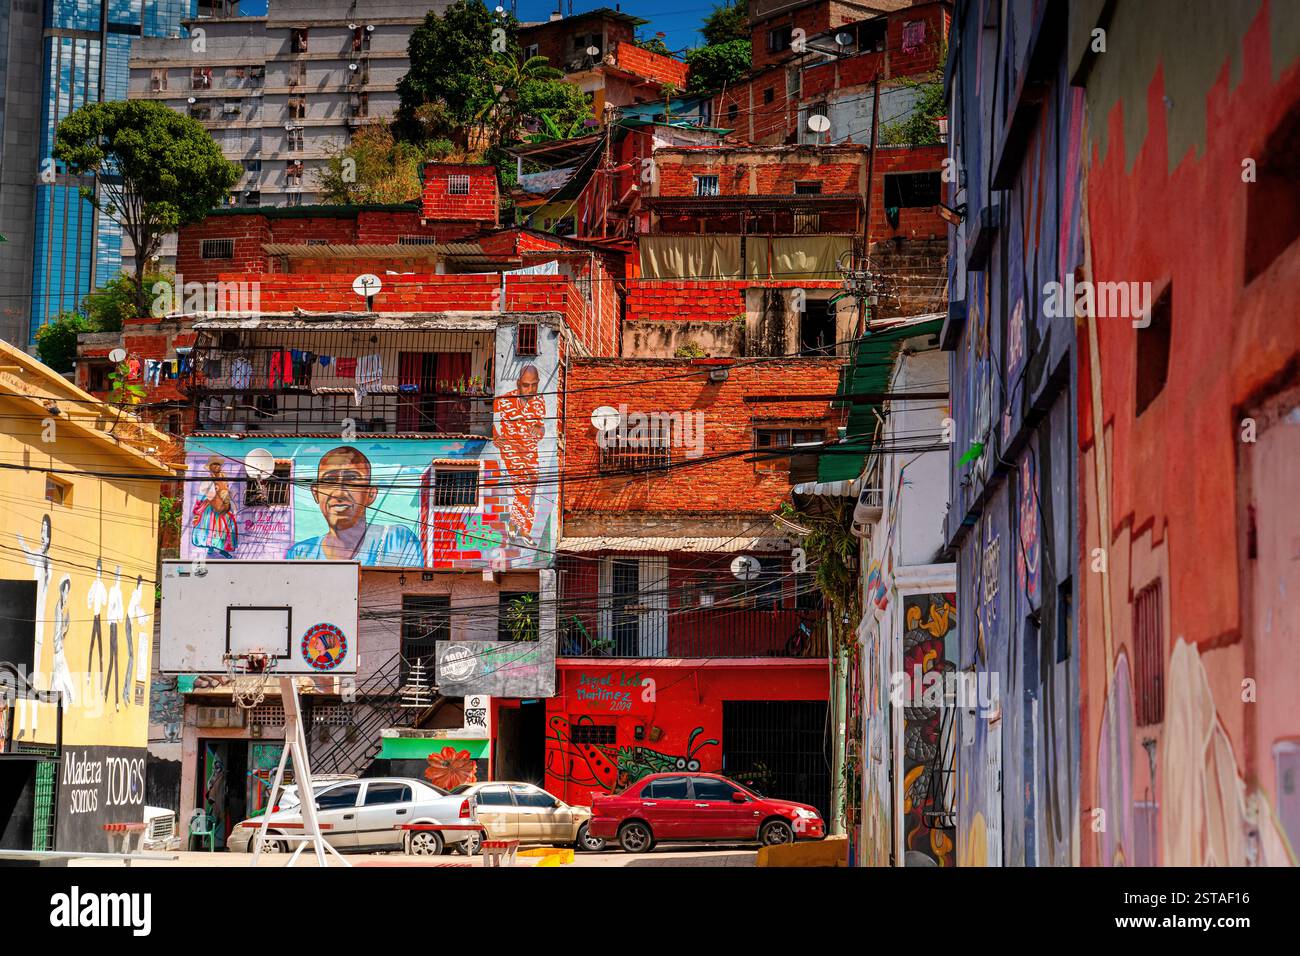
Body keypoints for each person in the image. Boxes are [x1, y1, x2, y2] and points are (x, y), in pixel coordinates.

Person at [286, 446, 421, 566]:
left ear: (370, 494)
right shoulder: (301, 552)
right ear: (316, 493)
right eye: (329, 480)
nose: (339, 493)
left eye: (352, 479)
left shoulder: (397, 540)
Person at [493, 364, 547, 543]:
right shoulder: (503, 400)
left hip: (530, 451)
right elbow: (492, 421)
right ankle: (514, 524)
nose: (530, 389)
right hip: (511, 450)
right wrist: (496, 437)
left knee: (531, 490)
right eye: (526, 385)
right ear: (518, 383)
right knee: (523, 489)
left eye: (534, 384)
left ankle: (524, 530)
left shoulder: (539, 401)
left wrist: (539, 431)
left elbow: (542, 428)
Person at [15, 515, 52, 678]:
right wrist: (21, 542)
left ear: (50, 536)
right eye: (41, 529)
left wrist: (44, 557)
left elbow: (47, 582)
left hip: (40, 611)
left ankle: (34, 681)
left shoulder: (48, 559)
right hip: (30, 607)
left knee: (37, 646)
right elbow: (29, 556)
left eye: (45, 530)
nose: (42, 534)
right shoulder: (37, 553)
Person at [192, 457, 238, 558]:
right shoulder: (207, 480)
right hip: (211, 506)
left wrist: (230, 501)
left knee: (226, 527)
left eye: (218, 464)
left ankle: (223, 549)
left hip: (223, 504)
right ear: (210, 467)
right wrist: (200, 502)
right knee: (210, 526)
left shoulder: (224, 478)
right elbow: (202, 492)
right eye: (214, 464)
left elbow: (226, 491)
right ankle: (210, 547)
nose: (217, 466)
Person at [49, 576, 76, 706]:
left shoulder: (60, 607)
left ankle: (68, 697)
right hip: (58, 649)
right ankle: (69, 697)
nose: (66, 594)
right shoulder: (58, 607)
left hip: (59, 649)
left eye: (67, 591)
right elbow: (57, 633)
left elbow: (59, 633)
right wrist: (65, 628)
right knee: (60, 676)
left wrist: (64, 629)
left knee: (58, 676)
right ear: (61, 591)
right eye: (65, 591)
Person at [86, 559, 108, 699]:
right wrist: (90, 601)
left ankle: (100, 684)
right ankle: (88, 676)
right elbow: (88, 598)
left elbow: (105, 601)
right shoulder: (94, 584)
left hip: (99, 618)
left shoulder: (102, 586)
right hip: (94, 617)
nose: (98, 572)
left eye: (100, 570)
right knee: (91, 648)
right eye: (97, 569)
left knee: (100, 651)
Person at [106, 566, 124, 710]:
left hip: (115, 626)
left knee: (115, 663)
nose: (118, 577)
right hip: (112, 625)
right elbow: (110, 607)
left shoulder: (118, 591)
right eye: (117, 575)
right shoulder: (113, 590)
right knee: (112, 663)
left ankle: (114, 699)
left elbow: (121, 610)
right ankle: (107, 695)